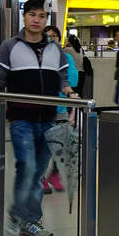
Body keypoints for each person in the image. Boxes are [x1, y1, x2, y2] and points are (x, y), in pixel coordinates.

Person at [0, 0, 77, 236]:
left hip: (48, 119)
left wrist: (69, 92)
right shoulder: (9, 47)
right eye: (32, 14)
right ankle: (20, 216)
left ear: (46, 19)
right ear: (24, 17)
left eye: (41, 16)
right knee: (27, 166)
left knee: (38, 172)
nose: (36, 20)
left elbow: (62, 78)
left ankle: (29, 221)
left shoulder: (54, 48)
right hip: (21, 118)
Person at [39, 25, 77, 195]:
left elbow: (73, 79)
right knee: (43, 145)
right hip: (42, 108)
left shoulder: (66, 57)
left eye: (54, 36)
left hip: (60, 107)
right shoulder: (36, 57)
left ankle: (55, 174)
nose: (51, 39)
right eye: (47, 36)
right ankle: (40, 177)